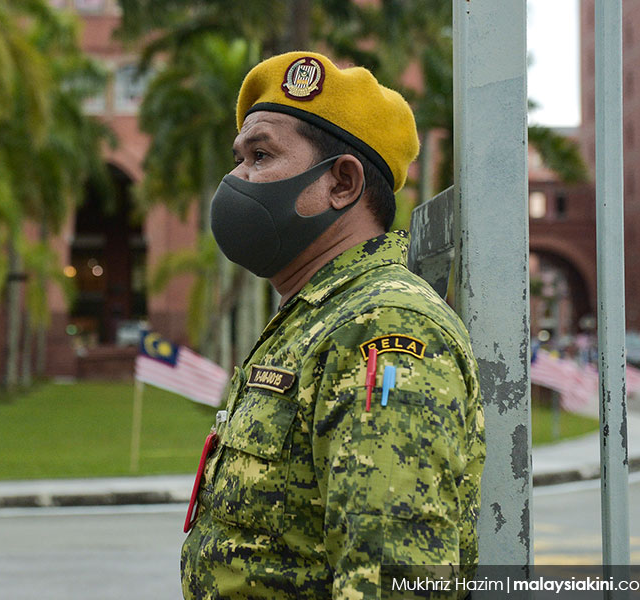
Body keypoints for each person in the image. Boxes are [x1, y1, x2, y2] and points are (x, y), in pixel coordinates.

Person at [180, 51, 486, 599]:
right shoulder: (320, 316)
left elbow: (396, 580)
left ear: (342, 183)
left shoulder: (382, 325)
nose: (236, 177)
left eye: (260, 155)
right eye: (239, 158)